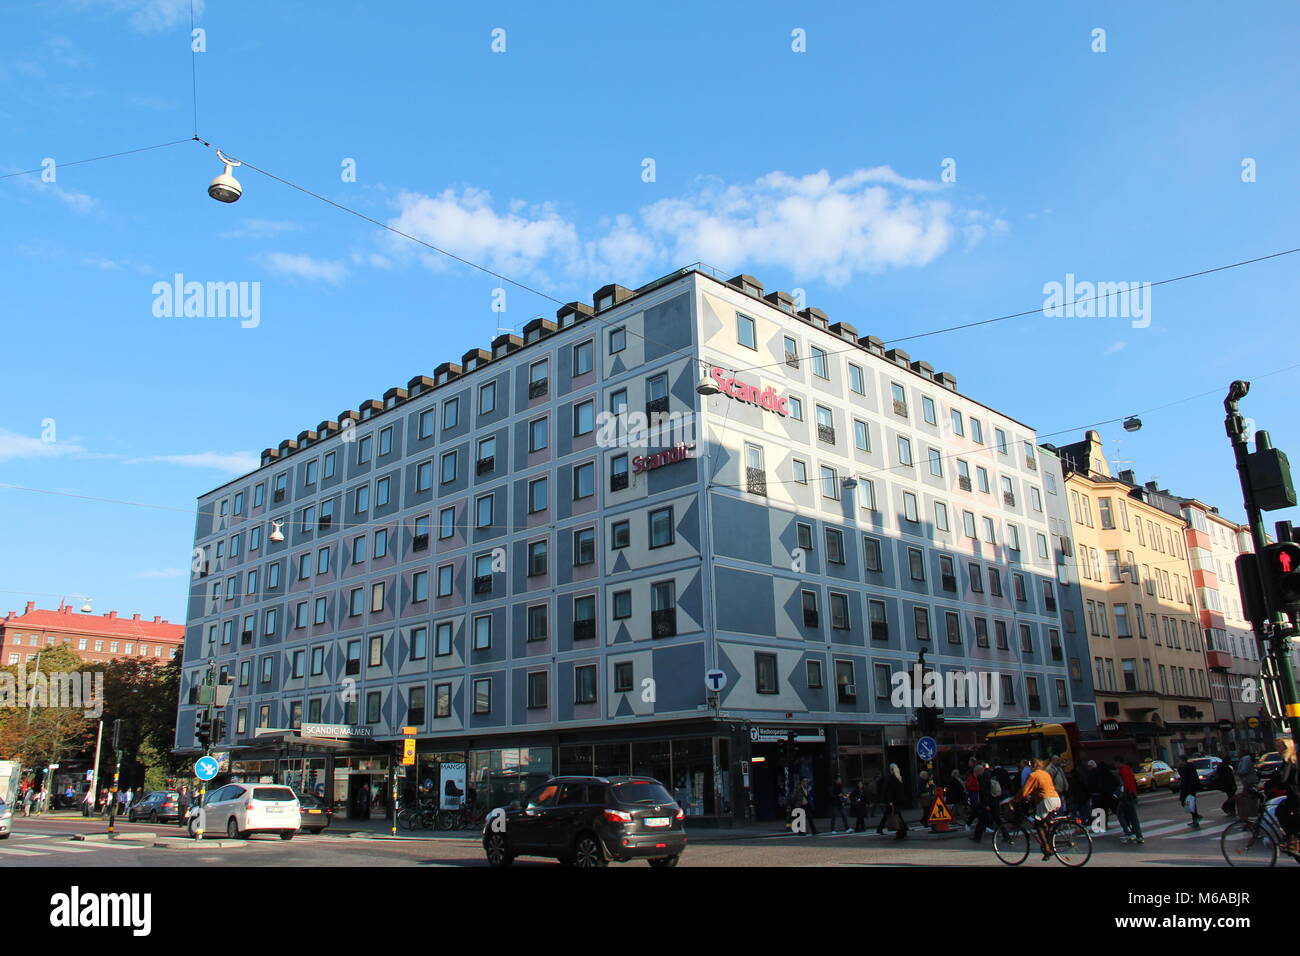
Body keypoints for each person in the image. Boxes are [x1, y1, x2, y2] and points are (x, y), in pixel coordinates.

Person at [1018, 759, 1061, 860]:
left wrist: (1016, 800)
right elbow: (1044, 788)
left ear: (1032, 766)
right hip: (1056, 799)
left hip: (1046, 801)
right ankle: (1050, 844)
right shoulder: (1046, 774)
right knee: (1046, 823)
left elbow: (1024, 792)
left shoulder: (1033, 775)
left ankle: (1047, 847)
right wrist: (1033, 796)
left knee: (1038, 825)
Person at [1270, 738, 1299, 851]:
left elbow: (1282, 780)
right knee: (1283, 811)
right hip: (1294, 795)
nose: (1277, 748)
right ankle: (1292, 840)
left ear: (1286, 747)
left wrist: (1273, 779)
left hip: (1295, 797)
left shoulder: (1289, 761)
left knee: (1282, 813)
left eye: (1279, 746)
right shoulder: (1292, 759)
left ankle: (1292, 840)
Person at [1114, 757, 1144, 845]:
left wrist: (1122, 793)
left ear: (1118, 762)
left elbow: (1126, 784)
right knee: (1131, 816)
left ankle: (1130, 833)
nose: (1115, 765)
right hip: (1131, 795)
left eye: (1115, 763)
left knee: (1122, 814)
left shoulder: (1123, 771)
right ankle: (1137, 835)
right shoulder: (1127, 769)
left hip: (1127, 796)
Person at [876, 763, 907, 840]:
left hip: (893, 800)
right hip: (897, 800)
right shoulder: (898, 777)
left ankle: (901, 831)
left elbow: (889, 790)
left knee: (894, 815)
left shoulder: (891, 777)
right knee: (896, 815)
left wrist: (889, 800)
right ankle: (902, 830)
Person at [968, 763, 996, 844]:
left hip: (986, 802)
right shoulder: (985, 776)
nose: (975, 774)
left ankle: (978, 836)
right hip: (986, 802)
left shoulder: (983, 778)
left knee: (986, 818)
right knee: (983, 819)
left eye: (976, 772)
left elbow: (984, 792)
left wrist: (985, 804)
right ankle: (978, 835)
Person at [1177, 755, 1202, 828]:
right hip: (1185, 788)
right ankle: (1196, 818)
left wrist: (1189, 790)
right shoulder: (1182, 768)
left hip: (1190, 788)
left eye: (1179, 761)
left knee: (1190, 804)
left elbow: (1190, 779)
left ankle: (1196, 819)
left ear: (1183, 761)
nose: (1178, 762)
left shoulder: (1189, 767)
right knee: (1187, 803)